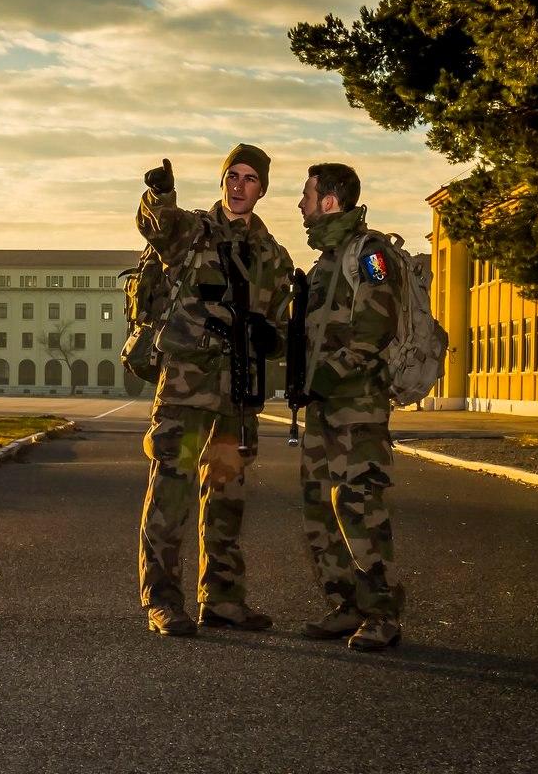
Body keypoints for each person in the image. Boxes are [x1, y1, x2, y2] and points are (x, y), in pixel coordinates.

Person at [135, 146, 293, 636]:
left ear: (262, 189)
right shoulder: (192, 230)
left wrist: (273, 338)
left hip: (237, 393)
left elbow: (283, 325)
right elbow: (157, 227)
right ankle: (163, 601)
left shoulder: (274, 255)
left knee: (227, 497)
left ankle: (222, 599)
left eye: (250, 178)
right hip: (186, 388)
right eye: (232, 176)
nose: (239, 185)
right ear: (222, 181)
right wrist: (160, 195)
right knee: (171, 490)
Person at [294, 162, 405, 652]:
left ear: (329, 202)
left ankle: (383, 613)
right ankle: (345, 604)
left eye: (307, 195)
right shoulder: (326, 261)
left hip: (358, 406)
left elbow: (376, 325)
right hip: (324, 406)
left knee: (358, 504)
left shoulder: (370, 253)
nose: (301, 205)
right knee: (319, 504)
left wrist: (330, 372)